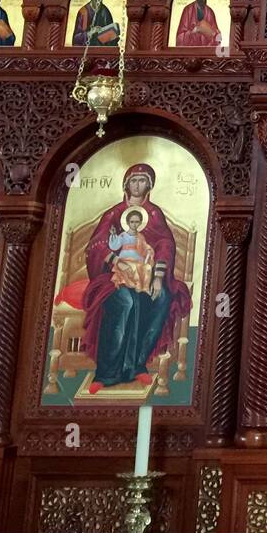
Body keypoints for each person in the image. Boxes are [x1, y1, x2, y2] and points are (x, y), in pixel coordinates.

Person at [80, 164, 190, 393]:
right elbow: (97, 245)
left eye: (142, 181)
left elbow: (165, 244)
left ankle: (137, 364)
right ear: (126, 184)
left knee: (161, 299)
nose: (137, 185)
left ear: (149, 185)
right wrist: (113, 260)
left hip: (146, 274)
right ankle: (106, 373)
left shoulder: (153, 214)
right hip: (113, 276)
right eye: (134, 180)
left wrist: (158, 276)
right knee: (126, 302)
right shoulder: (114, 213)